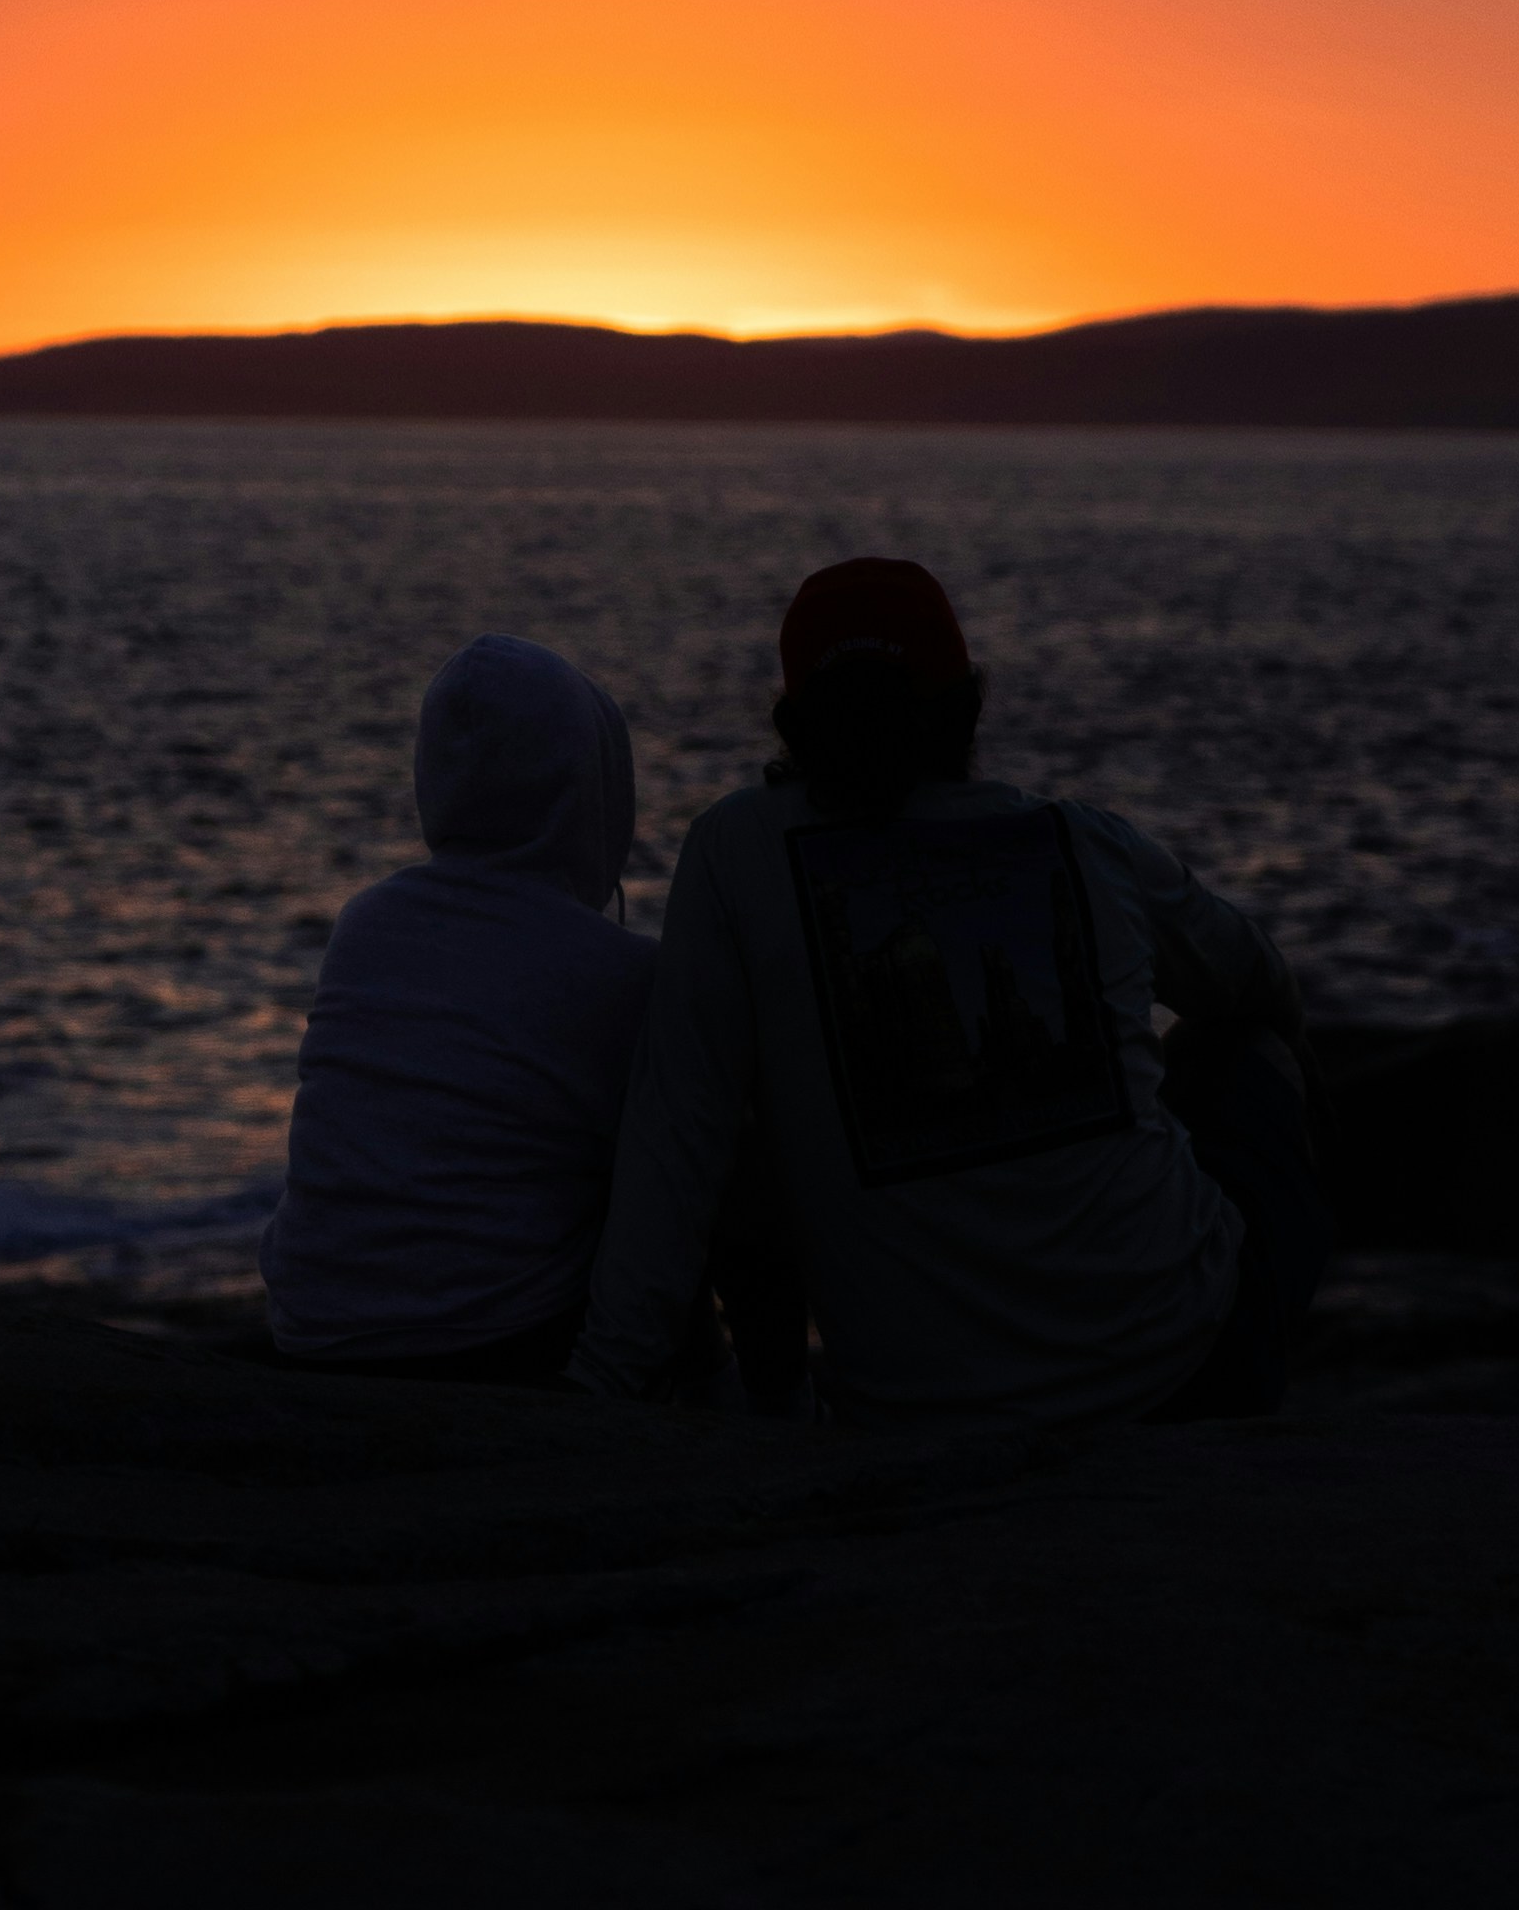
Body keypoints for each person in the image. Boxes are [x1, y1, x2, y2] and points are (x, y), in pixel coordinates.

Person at [568, 557, 1328, 1430]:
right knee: (1242, 1050)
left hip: (915, 1411)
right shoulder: (1082, 842)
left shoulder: (736, 852)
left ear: (793, 724)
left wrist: (604, 1382)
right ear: (967, 710)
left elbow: (679, 1136)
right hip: (1189, 1370)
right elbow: (1261, 978)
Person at [261, 631, 656, 1382]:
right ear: (588, 788)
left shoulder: (366, 922)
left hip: (311, 1330)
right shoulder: (617, 969)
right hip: (488, 1342)